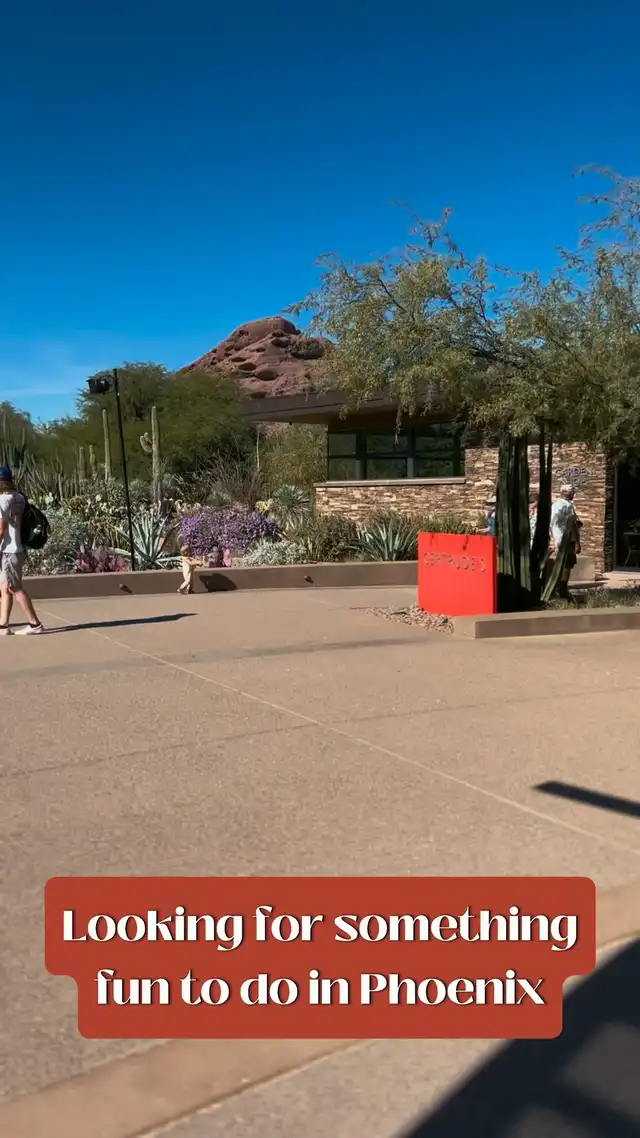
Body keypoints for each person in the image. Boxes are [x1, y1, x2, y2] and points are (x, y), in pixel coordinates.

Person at [0, 466, 44, 635]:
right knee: (5, 588)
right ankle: (3, 626)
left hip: (8, 550)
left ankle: (35, 624)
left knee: (15, 588)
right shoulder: (19, 497)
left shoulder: (2, 500)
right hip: (18, 548)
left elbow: (1, 529)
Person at [550, 484, 582, 597]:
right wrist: (577, 542)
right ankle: (562, 589)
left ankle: (558, 588)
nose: (574, 495)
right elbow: (571, 524)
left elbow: (552, 524)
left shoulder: (555, 505)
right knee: (567, 564)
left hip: (559, 539)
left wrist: (555, 539)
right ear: (568, 493)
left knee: (562, 564)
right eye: (573, 493)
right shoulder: (567, 506)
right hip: (567, 539)